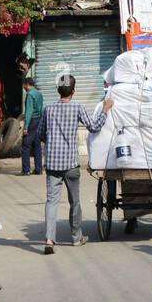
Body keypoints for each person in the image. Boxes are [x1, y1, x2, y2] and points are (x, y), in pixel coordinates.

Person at [40, 75, 112, 253]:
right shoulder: (78, 107)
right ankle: (76, 237)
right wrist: (105, 110)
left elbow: (41, 134)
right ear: (73, 91)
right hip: (71, 164)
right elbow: (94, 127)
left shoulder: (48, 109)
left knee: (51, 202)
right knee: (75, 202)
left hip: (52, 164)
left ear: (58, 90)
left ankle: (49, 240)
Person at [19, 76, 44, 176]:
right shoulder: (39, 94)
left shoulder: (30, 95)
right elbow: (41, 109)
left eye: (24, 85)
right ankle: (38, 169)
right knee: (37, 145)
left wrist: (25, 127)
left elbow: (28, 112)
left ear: (26, 84)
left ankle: (26, 170)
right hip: (38, 121)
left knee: (25, 146)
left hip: (32, 121)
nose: (23, 88)